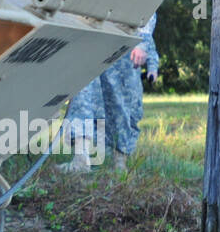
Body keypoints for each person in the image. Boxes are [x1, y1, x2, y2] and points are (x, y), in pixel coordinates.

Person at [64, 13, 159, 172]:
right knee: (82, 98)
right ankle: (80, 159)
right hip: (90, 36)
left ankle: (119, 163)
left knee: (122, 108)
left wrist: (148, 55)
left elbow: (148, 12)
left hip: (124, 45)